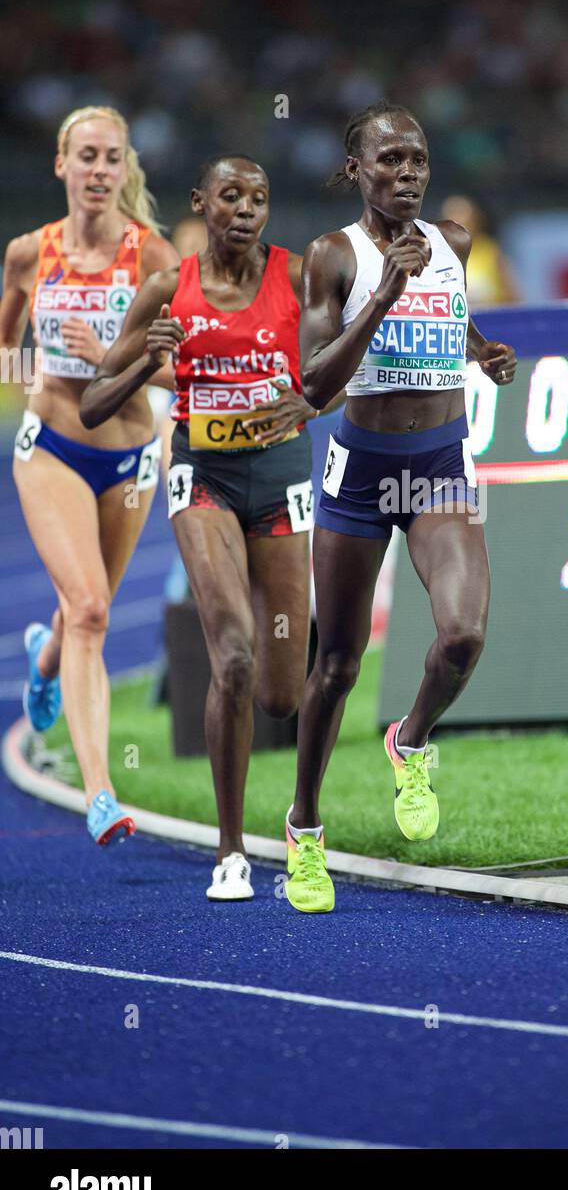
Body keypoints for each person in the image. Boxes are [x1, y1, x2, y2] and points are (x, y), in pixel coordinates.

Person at [81, 155, 338, 900]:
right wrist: (145, 364)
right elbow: (97, 401)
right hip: (205, 479)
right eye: (232, 196)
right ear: (202, 204)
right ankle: (231, 852)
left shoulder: (298, 277)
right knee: (231, 655)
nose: (248, 208)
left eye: (259, 196)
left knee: (283, 692)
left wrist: (314, 400)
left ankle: (296, 819)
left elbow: (349, 359)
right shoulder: (169, 290)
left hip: (282, 479)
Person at [287, 102, 517, 913]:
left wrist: (481, 349)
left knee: (463, 635)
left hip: (440, 466)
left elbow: (450, 313)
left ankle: (410, 739)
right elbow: (312, 386)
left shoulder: (452, 241)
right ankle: (305, 829)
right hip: (360, 473)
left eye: (417, 160)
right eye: (389, 161)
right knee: (339, 666)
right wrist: (384, 294)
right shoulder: (332, 258)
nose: (408, 174)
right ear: (358, 171)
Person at [0, 105, 178, 846]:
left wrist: (111, 350)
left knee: (82, 617)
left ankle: (44, 660)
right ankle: (100, 791)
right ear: (61, 164)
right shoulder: (27, 254)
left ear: (123, 168)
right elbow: (6, 338)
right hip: (53, 449)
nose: (99, 170)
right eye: (87, 156)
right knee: (93, 609)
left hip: (130, 455)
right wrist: (26, 378)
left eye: (112, 158)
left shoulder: (152, 256)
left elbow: (183, 364)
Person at [440, 195, 521, 305]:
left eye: (464, 215)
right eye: (454, 215)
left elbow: (514, 296)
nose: (460, 220)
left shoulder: (491, 252)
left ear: (476, 219)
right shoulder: (437, 255)